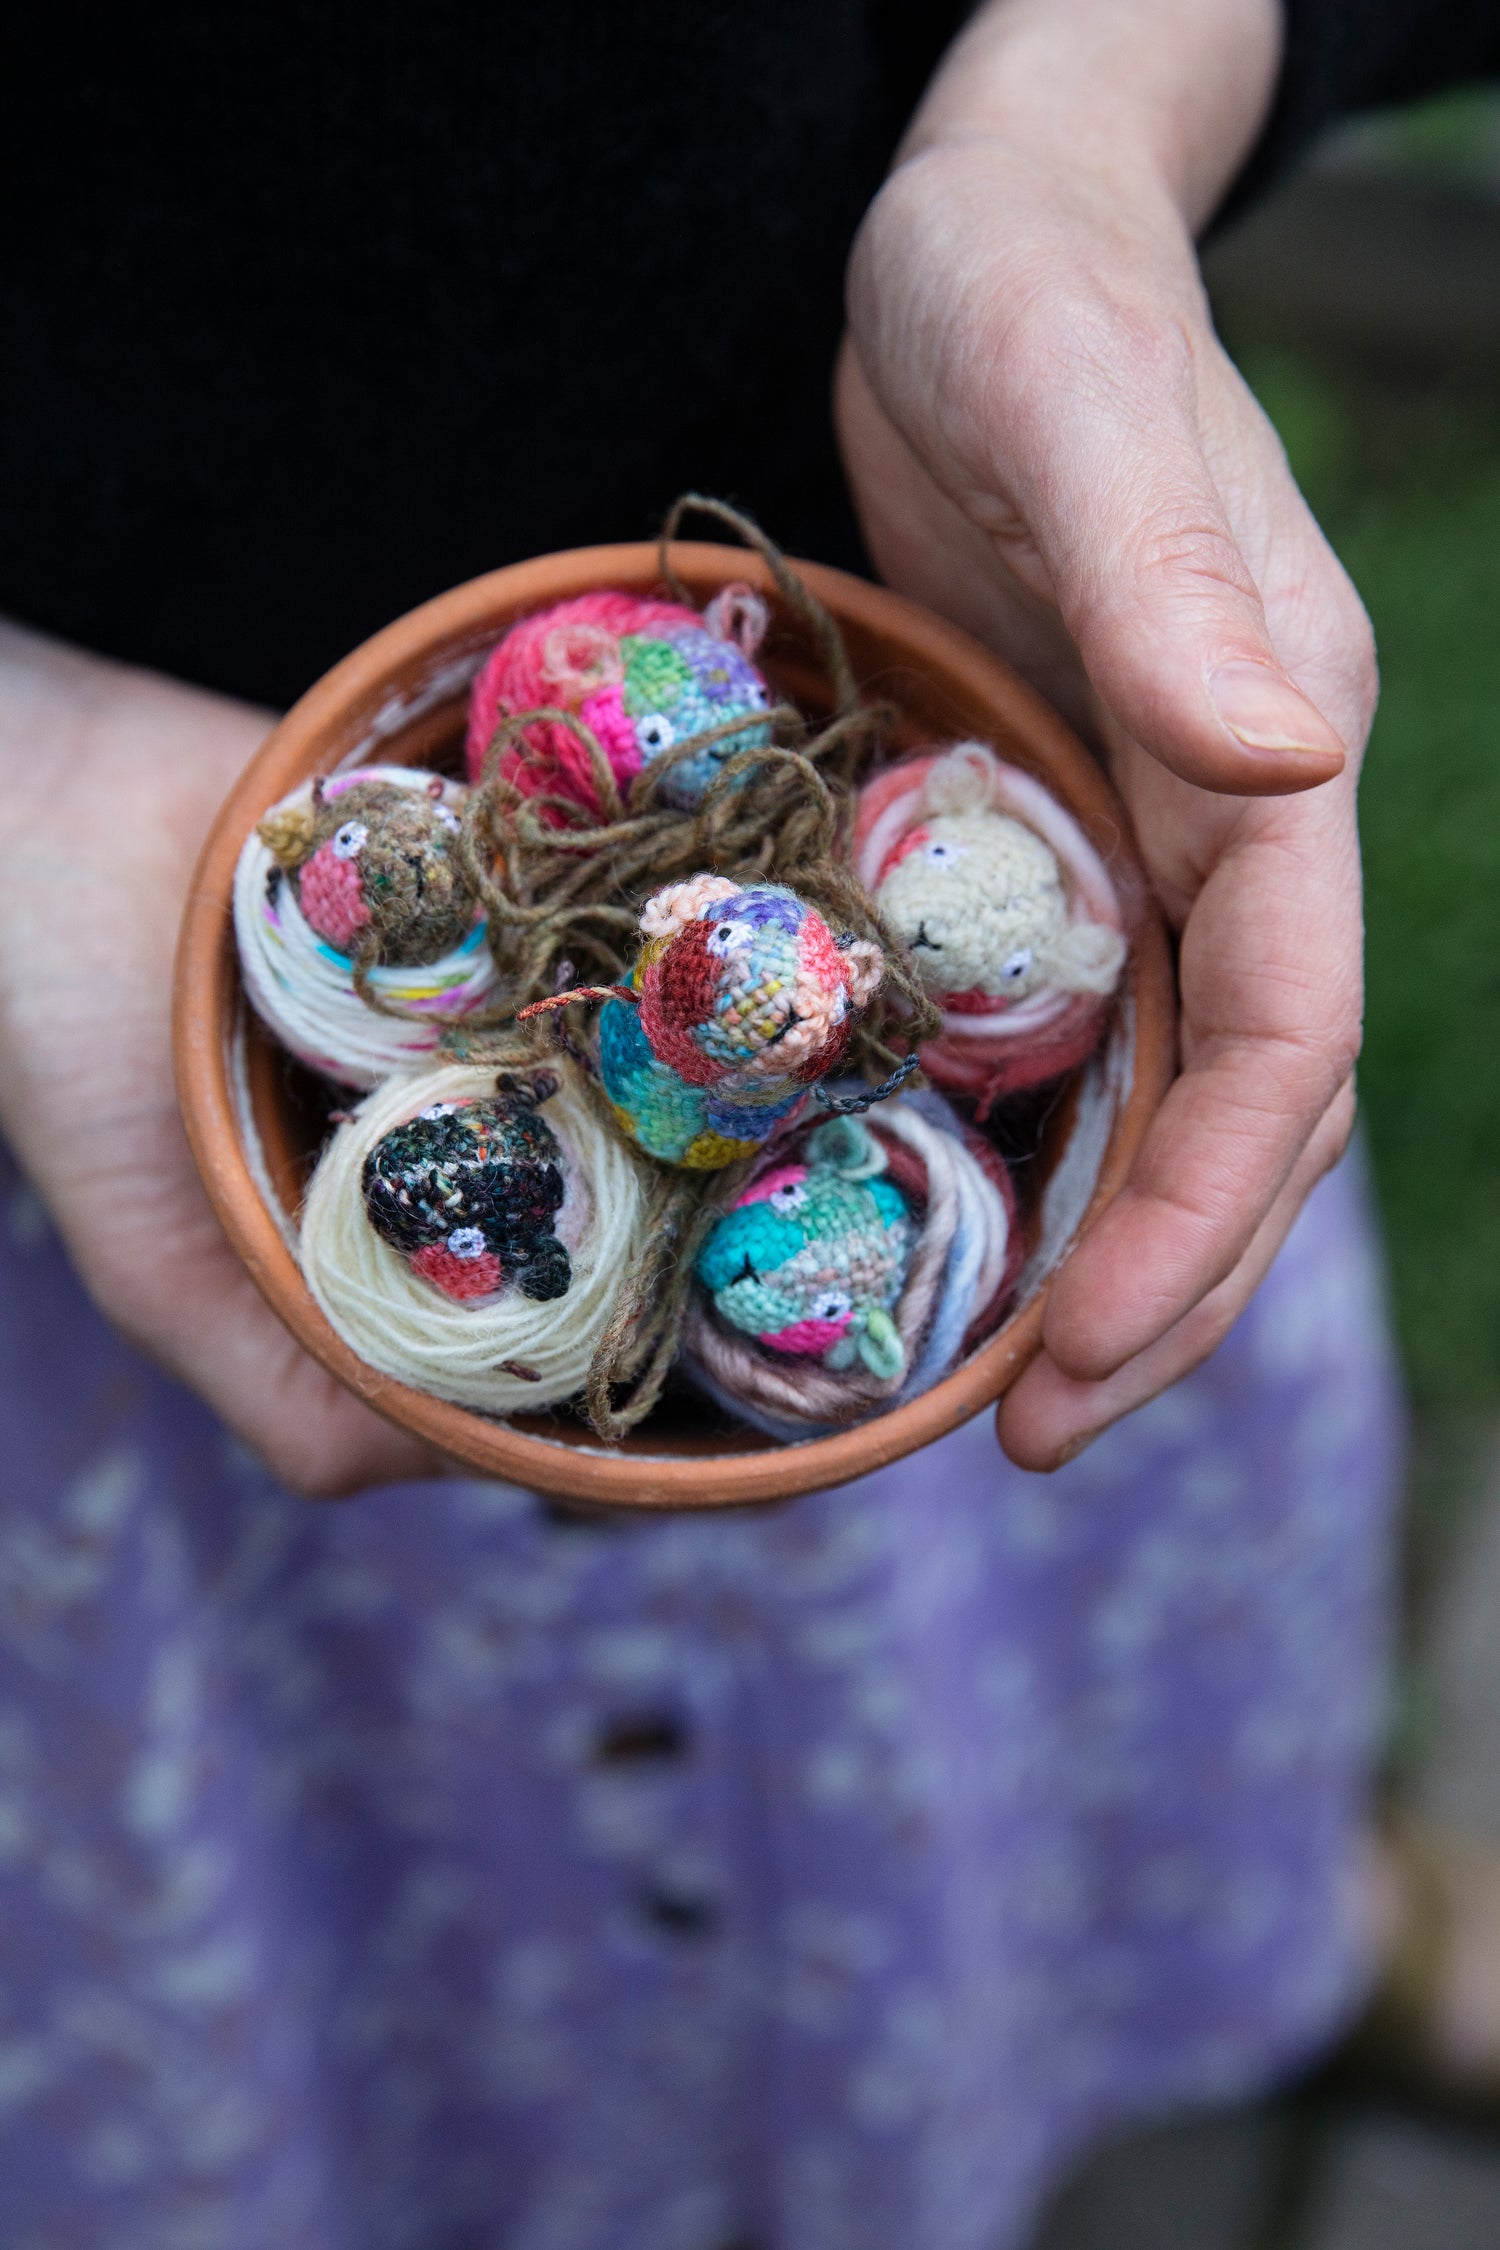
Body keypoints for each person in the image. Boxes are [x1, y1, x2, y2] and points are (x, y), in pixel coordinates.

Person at [0, 0, 1483, 2242]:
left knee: (1066, 1711)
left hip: (900, 549)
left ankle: (1284, 1926)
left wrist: (1081, 119)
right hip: (58, 1007)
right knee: (309, 1923)